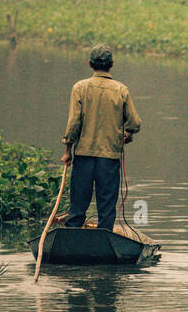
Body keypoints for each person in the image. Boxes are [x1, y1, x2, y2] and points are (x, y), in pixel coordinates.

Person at [60, 44, 142, 231]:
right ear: (111, 64)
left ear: (90, 64)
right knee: (106, 209)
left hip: (84, 156)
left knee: (78, 207)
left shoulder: (80, 88)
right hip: (109, 159)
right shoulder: (121, 90)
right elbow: (135, 123)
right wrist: (127, 133)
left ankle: (72, 241)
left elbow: (74, 124)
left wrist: (67, 151)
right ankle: (103, 241)